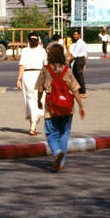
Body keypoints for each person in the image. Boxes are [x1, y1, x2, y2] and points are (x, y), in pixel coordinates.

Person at [35, 42, 85, 172]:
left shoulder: (46, 70)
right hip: (67, 108)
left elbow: (40, 88)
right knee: (64, 134)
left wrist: (39, 101)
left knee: (51, 134)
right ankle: (61, 163)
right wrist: (81, 106)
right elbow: (75, 90)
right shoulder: (67, 70)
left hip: (51, 108)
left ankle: (57, 153)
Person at [16, 34, 48, 136]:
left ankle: (32, 126)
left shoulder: (25, 51)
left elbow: (22, 66)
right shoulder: (42, 51)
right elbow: (46, 65)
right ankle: (35, 122)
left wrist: (19, 79)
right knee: (41, 99)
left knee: (30, 100)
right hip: (39, 75)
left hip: (27, 76)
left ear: (28, 40)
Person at [70, 28, 89, 94]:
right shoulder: (81, 42)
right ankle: (79, 90)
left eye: (75, 34)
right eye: (73, 35)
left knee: (79, 76)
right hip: (80, 60)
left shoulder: (79, 43)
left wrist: (68, 60)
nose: (74, 36)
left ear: (79, 35)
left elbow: (75, 54)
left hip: (79, 60)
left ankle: (83, 92)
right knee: (76, 75)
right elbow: (85, 54)